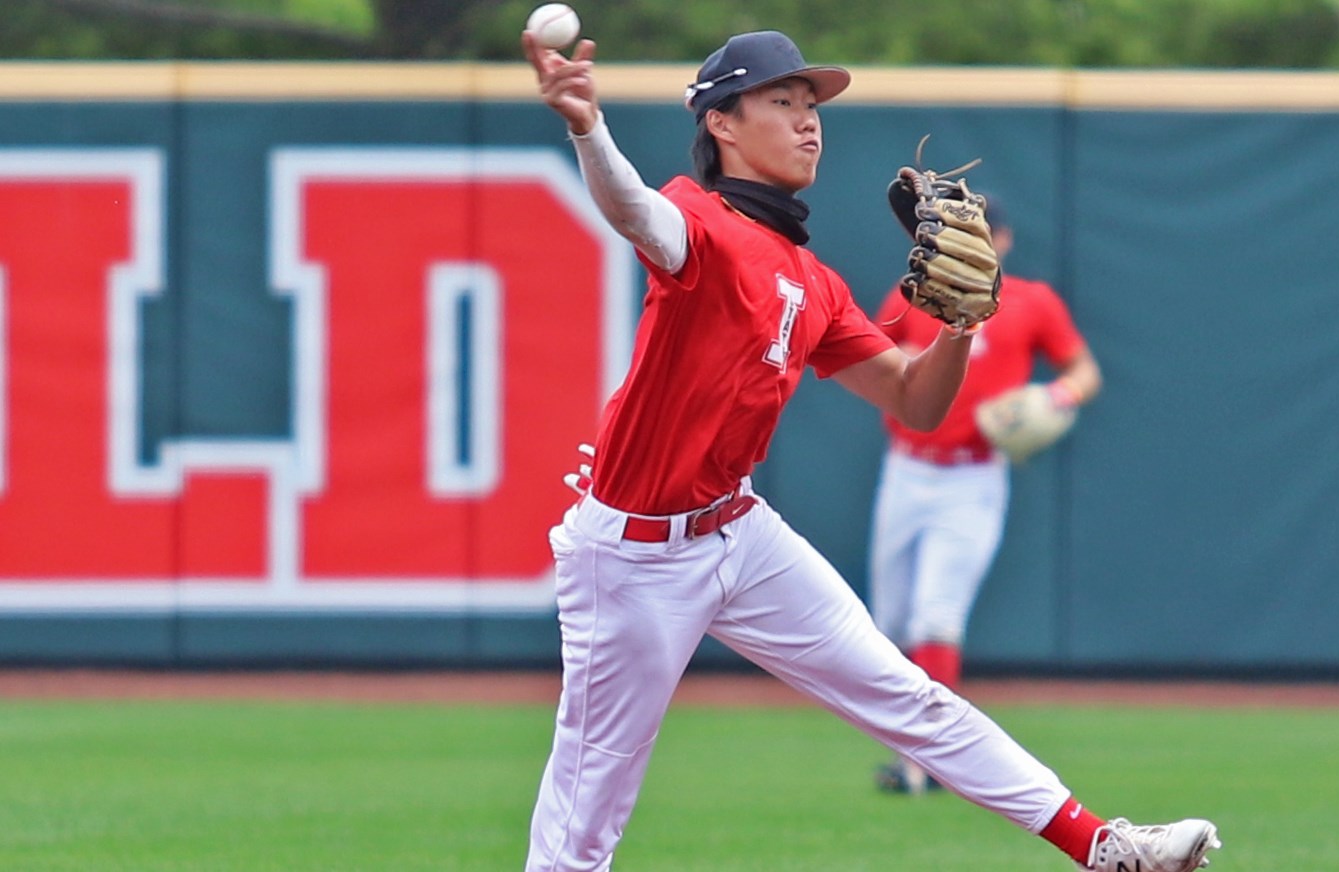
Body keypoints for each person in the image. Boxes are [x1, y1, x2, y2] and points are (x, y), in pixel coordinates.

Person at [521, 27, 1220, 872]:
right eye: (783, 101)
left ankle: (1103, 846)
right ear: (722, 126)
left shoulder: (811, 281)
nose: (809, 122)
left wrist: (962, 322)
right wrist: (587, 128)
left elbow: (911, 398)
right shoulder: (696, 224)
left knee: (910, 695)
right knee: (585, 814)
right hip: (630, 560)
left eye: (813, 106)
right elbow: (633, 210)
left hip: (737, 533)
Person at [868, 198, 1103, 794]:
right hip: (908, 468)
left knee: (936, 615)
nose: (972, 248)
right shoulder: (913, 296)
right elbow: (872, 360)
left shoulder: (1030, 302)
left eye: (980, 236)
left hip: (974, 476)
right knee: (888, 622)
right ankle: (912, 752)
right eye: (958, 237)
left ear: (1003, 240)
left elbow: (1083, 372)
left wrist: (1056, 399)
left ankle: (928, 763)